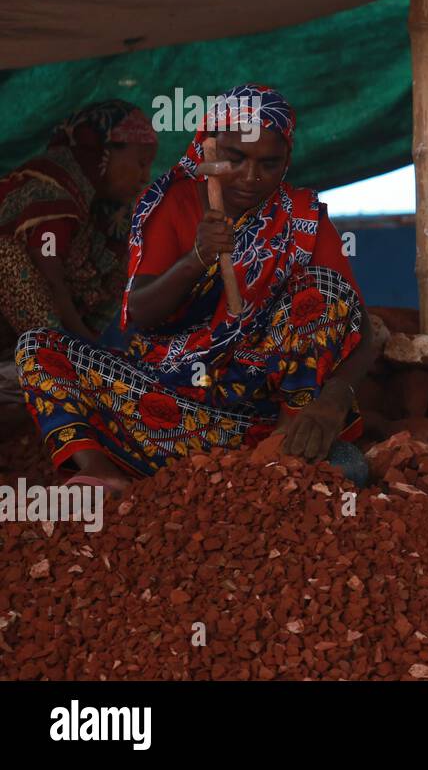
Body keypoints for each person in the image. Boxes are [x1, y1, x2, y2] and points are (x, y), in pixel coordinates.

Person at [15, 85, 379, 492]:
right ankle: (104, 473)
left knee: (323, 288)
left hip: (261, 415)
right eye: (234, 158)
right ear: (207, 147)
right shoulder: (171, 203)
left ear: (286, 161)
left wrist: (333, 401)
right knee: (38, 348)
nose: (250, 176)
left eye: (269, 163)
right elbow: (139, 312)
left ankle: (283, 455)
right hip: (166, 406)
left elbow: (366, 332)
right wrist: (196, 258)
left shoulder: (303, 217)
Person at [0, 101, 157, 401]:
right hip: (30, 320)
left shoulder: (107, 217)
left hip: (37, 335)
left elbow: (110, 289)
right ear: (105, 152)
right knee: (5, 255)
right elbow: (51, 280)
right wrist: (87, 350)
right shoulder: (50, 191)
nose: (145, 176)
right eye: (141, 162)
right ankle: (62, 357)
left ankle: (69, 359)